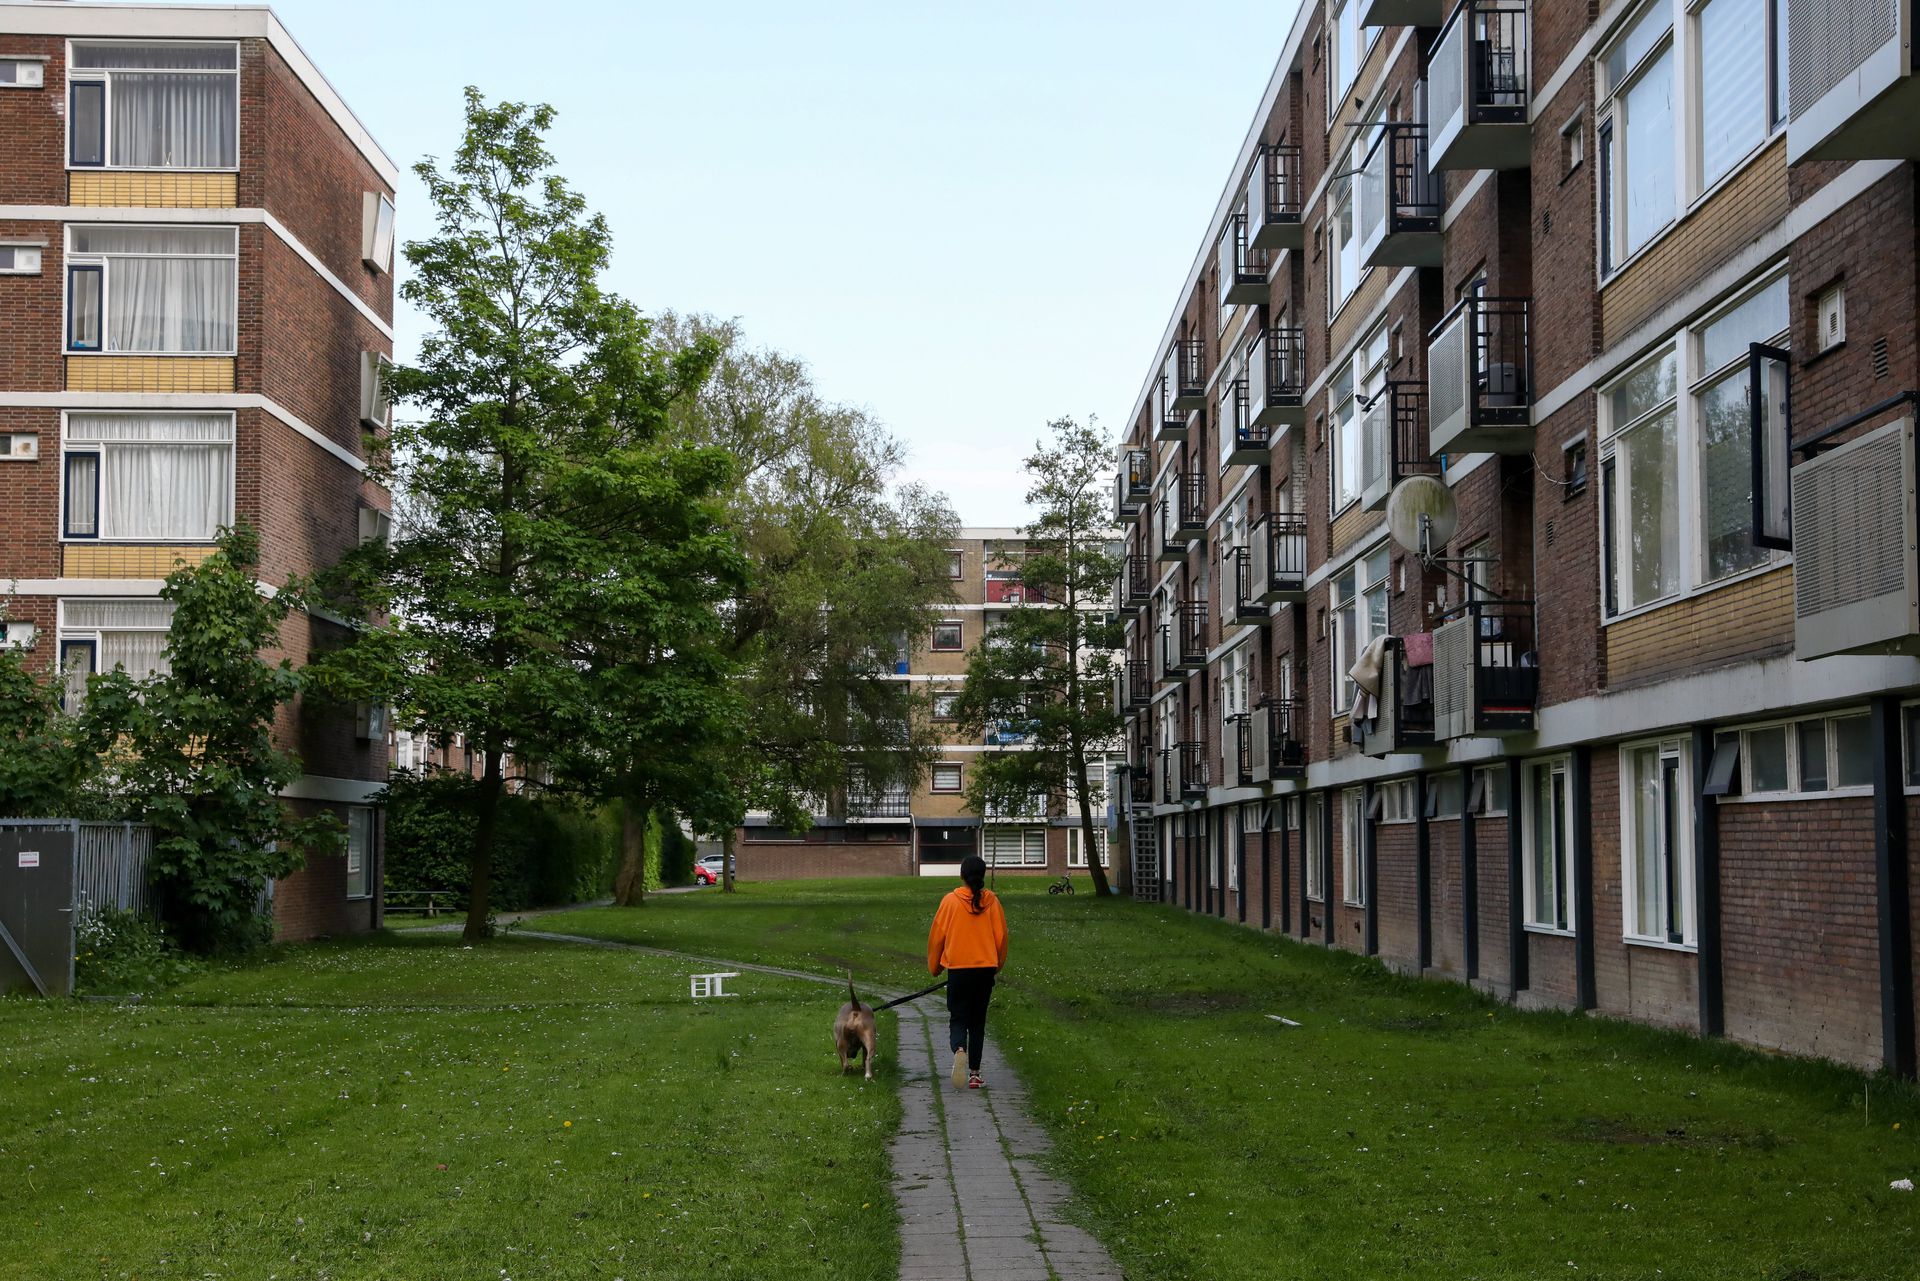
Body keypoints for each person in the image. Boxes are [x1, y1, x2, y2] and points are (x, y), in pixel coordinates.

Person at [926, 854, 1009, 1090]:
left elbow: (937, 938)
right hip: (984, 970)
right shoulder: (992, 902)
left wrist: (935, 967)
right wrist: (996, 966)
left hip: (959, 970)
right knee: (978, 1022)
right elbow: (1001, 939)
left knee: (958, 1016)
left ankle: (959, 1048)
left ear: (962, 875)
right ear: (982, 876)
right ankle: (974, 1074)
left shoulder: (950, 902)